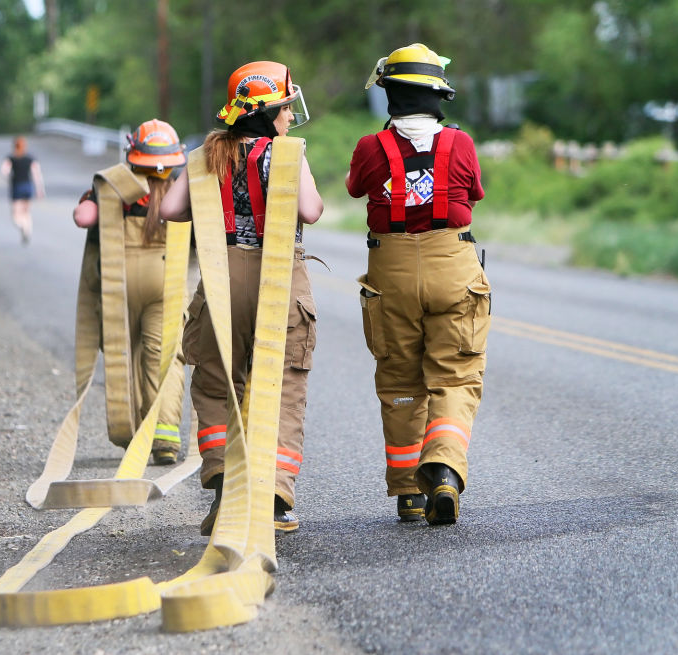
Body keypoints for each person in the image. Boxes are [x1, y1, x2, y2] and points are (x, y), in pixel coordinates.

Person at [160, 61, 323, 535]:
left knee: (216, 383)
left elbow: (171, 209)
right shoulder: (287, 154)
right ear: (268, 112)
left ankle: (223, 483)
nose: (290, 117)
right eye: (286, 108)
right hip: (279, 279)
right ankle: (273, 499)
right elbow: (311, 211)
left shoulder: (206, 156)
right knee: (283, 384)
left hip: (219, 275)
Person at [346, 43, 491, 525]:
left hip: (392, 270)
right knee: (454, 376)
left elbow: (356, 187)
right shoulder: (462, 143)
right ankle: (445, 470)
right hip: (454, 263)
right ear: (437, 97)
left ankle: (409, 493)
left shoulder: (371, 147)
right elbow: (473, 193)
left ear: (390, 96)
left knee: (400, 380)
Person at [72, 119, 188, 465]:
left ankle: (134, 433)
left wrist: (94, 196)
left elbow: (83, 217)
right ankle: (165, 437)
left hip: (117, 283)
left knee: (125, 355)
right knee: (164, 357)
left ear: (132, 153)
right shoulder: (179, 188)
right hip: (164, 282)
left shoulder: (112, 187)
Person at [2, 136, 44, 244]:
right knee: (26, 212)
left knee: (16, 215)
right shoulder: (30, 159)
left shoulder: (11, 158)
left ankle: (23, 228)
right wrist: (40, 189)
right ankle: (28, 230)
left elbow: (4, 171)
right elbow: (37, 175)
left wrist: (9, 177)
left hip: (17, 187)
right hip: (28, 187)